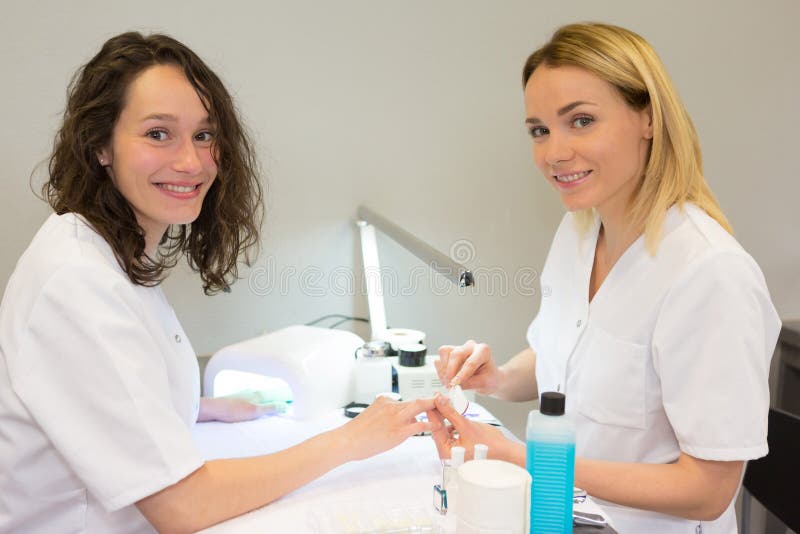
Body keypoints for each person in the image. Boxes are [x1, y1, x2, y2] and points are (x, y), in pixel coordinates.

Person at [0, 32, 433, 533]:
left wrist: (200, 408)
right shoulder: (78, 281)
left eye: (204, 135)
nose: (191, 162)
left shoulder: (106, 250)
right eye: (158, 134)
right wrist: (349, 442)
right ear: (100, 146)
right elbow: (182, 506)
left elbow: (102, 394)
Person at [427, 22, 780, 533]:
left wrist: (524, 457)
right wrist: (498, 378)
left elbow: (708, 490)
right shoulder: (577, 233)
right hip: (566, 516)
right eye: (539, 130)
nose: (554, 152)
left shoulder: (711, 274)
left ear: (648, 119)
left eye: (582, 121)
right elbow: (564, 356)